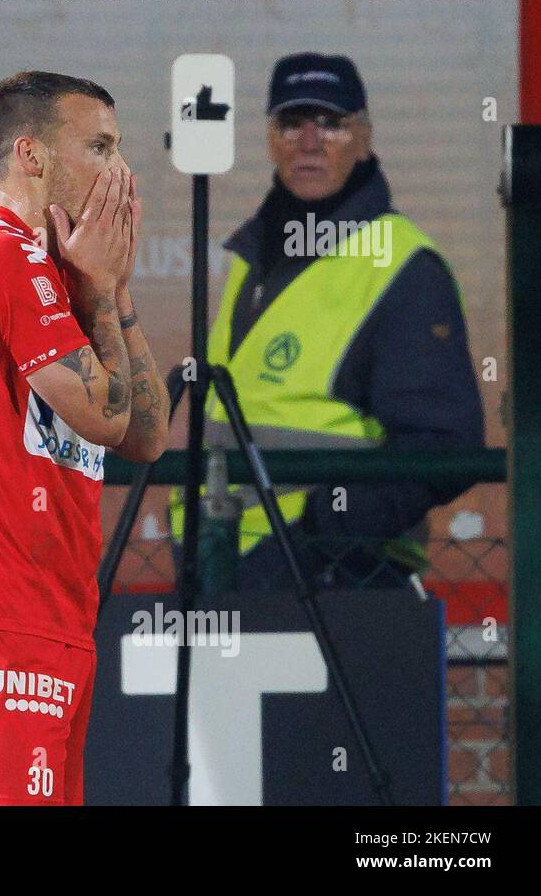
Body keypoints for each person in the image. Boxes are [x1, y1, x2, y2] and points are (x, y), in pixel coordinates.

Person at [0, 71, 169, 805]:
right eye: (99, 146)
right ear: (31, 156)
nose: (120, 172)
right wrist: (99, 288)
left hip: (53, 613)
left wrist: (112, 291)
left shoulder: (61, 273)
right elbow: (106, 415)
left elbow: (148, 437)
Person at [169, 53, 485, 591]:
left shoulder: (401, 265)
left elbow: (445, 446)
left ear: (364, 137)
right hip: (219, 565)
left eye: (331, 123)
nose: (309, 141)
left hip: (336, 579)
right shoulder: (255, 254)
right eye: (292, 123)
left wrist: (320, 533)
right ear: (270, 138)